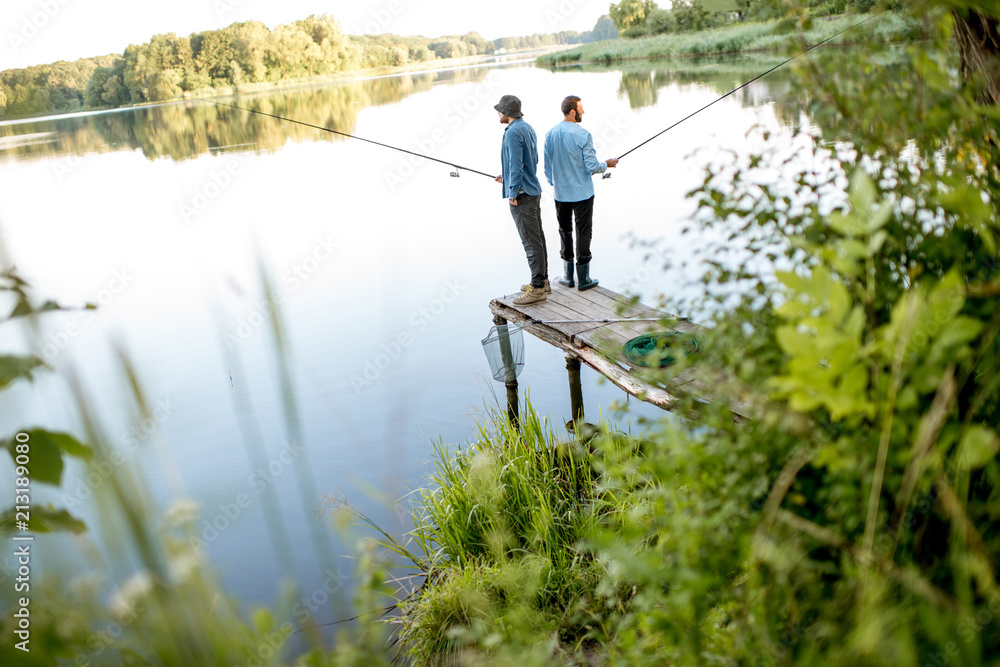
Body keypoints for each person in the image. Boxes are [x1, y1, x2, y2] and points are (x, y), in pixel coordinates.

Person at [543, 95, 618, 290]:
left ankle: (568, 277)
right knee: (583, 232)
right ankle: (584, 280)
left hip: (560, 194)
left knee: (565, 231)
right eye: (581, 108)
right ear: (573, 111)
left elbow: (546, 167)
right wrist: (607, 164)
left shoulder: (550, 134)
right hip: (583, 194)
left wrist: (555, 183)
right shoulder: (583, 135)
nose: (583, 111)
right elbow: (592, 167)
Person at [494, 94, 549, 305]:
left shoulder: (512, 132)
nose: (498, 113)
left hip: (523, 194)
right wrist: (506, 177)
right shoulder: (526, 127)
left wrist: (513, 191)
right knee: (538, 238)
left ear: (506, 113)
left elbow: (517, 165)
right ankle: (543, 281)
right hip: (533, 189)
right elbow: (529, 160)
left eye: (499, 110)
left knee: (529, 240)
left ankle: (537, 289)